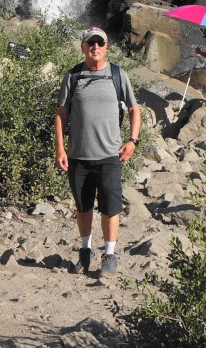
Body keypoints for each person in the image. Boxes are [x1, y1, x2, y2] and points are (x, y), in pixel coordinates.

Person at [54, 27, 142, 280]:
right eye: (90, 43)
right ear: (82, 47)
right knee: (83, 207)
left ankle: (110, 256)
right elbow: (62, 113)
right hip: (78, 155)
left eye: (99, 43)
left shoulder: (117, 74)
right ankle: (85, 251)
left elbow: (135, 109)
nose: (95, 47)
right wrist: (60, 147)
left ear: (107, 46)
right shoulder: (73, 76)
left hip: (109, 155)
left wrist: (133, 140)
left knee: (110, 208)